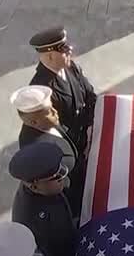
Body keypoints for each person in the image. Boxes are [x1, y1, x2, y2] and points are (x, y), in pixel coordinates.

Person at [28, 27, 98, 206]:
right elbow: (55, 128)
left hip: (87, 137)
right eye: (64, 49)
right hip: (72, 152)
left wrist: (91, 125)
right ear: (51, 56)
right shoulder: (41, 92)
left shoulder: (71, 67)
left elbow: (90, 95)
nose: (70, 51)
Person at [8, 143, 77, 256]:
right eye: (56, 177)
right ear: (34, 186)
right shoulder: (30, 221)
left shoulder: (46, 188)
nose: (62, 178)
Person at [12, 85, 84, 219]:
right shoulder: (36, 148)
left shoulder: (47, 123)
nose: (55, 112)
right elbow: (52, 184)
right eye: (49, 112)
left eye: (52, 107)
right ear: (34, 122)